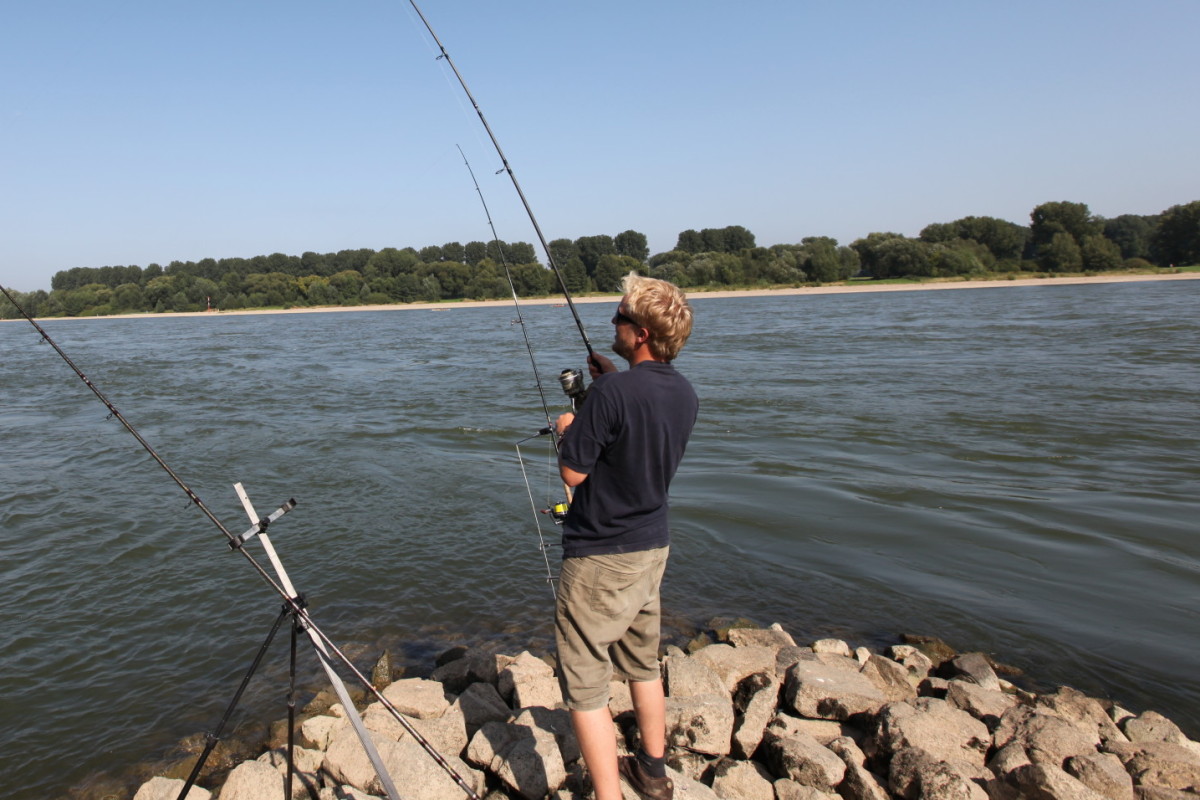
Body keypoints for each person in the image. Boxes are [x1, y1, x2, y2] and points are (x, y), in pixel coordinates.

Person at [553, 272, 698, 800]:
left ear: (639, 332)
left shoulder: (612, 395)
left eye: (619, 316)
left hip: (599, 556)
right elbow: (638, 429)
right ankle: (653, 772)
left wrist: (573, 424)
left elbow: (573, 472)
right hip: (652, 545)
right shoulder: (684, 392)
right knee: (642, 660)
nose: (612, 321)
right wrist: (609, 381)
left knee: (586, 680)